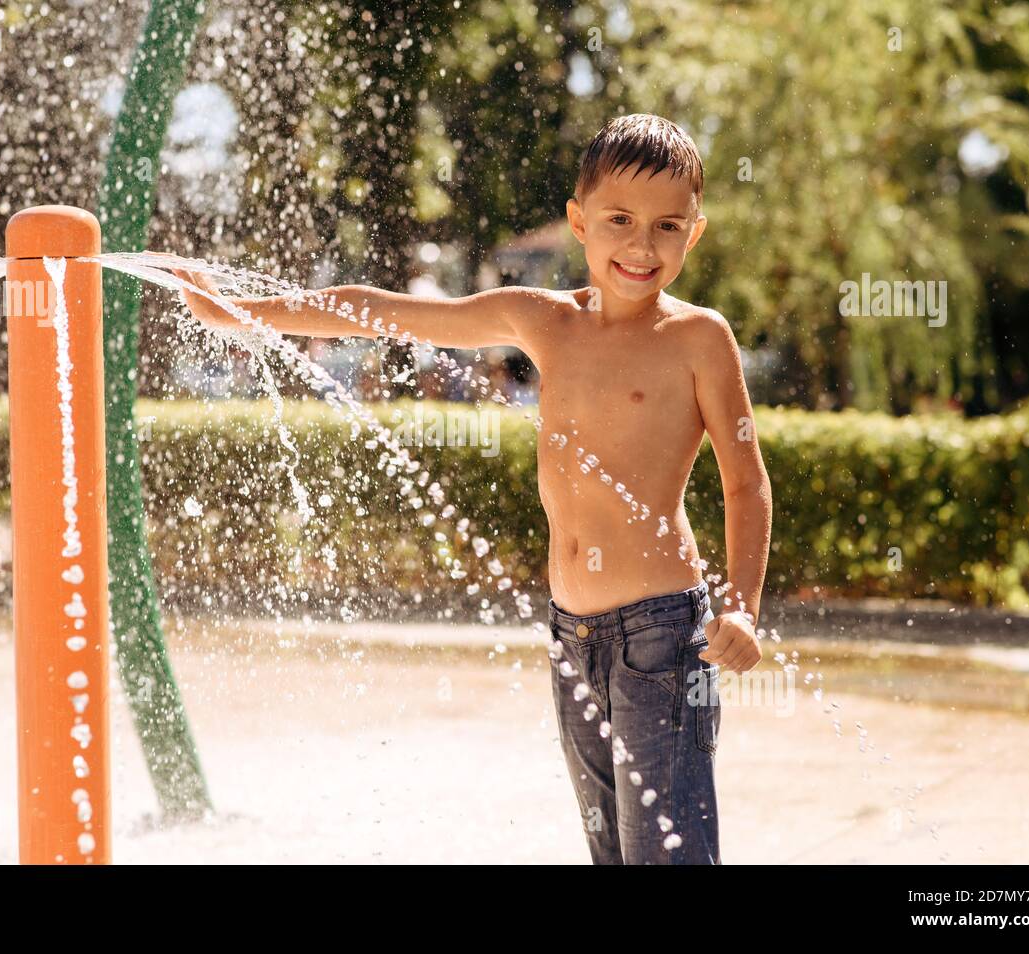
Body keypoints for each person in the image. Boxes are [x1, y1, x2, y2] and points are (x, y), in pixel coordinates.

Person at [163, 113, 772, 865]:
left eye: (667, 226)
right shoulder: (544, 322)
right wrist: (243, 316)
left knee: (670, 855)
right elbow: (380, 309)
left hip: (663, 637)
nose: (642, 245)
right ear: (579, 222)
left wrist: (742, 607)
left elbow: (746, 484)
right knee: (612, 853)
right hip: (571, 633)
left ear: (695, 234)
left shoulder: (698, 339)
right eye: (620, 220)